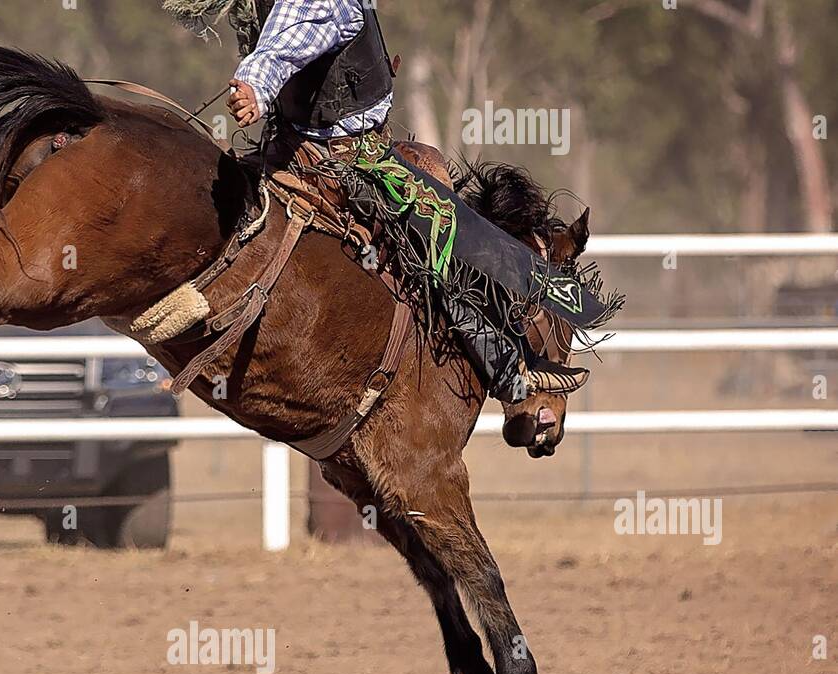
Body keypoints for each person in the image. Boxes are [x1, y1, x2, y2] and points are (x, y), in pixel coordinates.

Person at [167, 0, 592, 402]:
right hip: (347, 154)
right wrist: (257, 86)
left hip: (304, 141)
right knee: (448, 245)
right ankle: (507, 367)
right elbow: (294, 28)